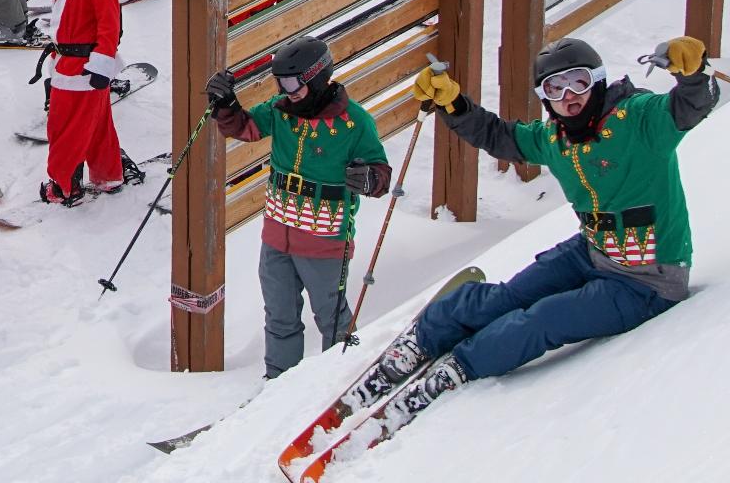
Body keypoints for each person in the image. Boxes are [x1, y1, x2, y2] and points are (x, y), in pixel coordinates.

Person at [380, 37, 716, 414]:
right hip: (593, 252)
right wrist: (454, 105)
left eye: (579, 82)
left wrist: (694, 76)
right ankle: (426, 336)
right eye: (555, 88)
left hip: (647, 282)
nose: (569, 95)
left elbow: (687, 108)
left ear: (599, 81)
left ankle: (464, 363)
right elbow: (499, 136)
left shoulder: (639, 119)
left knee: (541, 320)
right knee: (511, 296)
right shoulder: (554, 138)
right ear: (544, 96)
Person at [206, 36, 392, 378]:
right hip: (277, 234)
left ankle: (338, 378)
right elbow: (246, 128)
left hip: (324, 239)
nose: (286, 90)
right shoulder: (282, 111)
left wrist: (369, 179)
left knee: (331, 315)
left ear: (317, 76)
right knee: (279, 314)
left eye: (292, 82)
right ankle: (278, 382)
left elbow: (381, 173)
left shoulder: (354, 123)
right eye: (281, 82)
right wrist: (224, 105)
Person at [9, 0, 124, 202]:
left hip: (81, 68)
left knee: (64, 127)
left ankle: (63, 186)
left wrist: (101, 64)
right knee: (97, 124)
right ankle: (108, 176)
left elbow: (110, 26)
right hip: (70, 64)